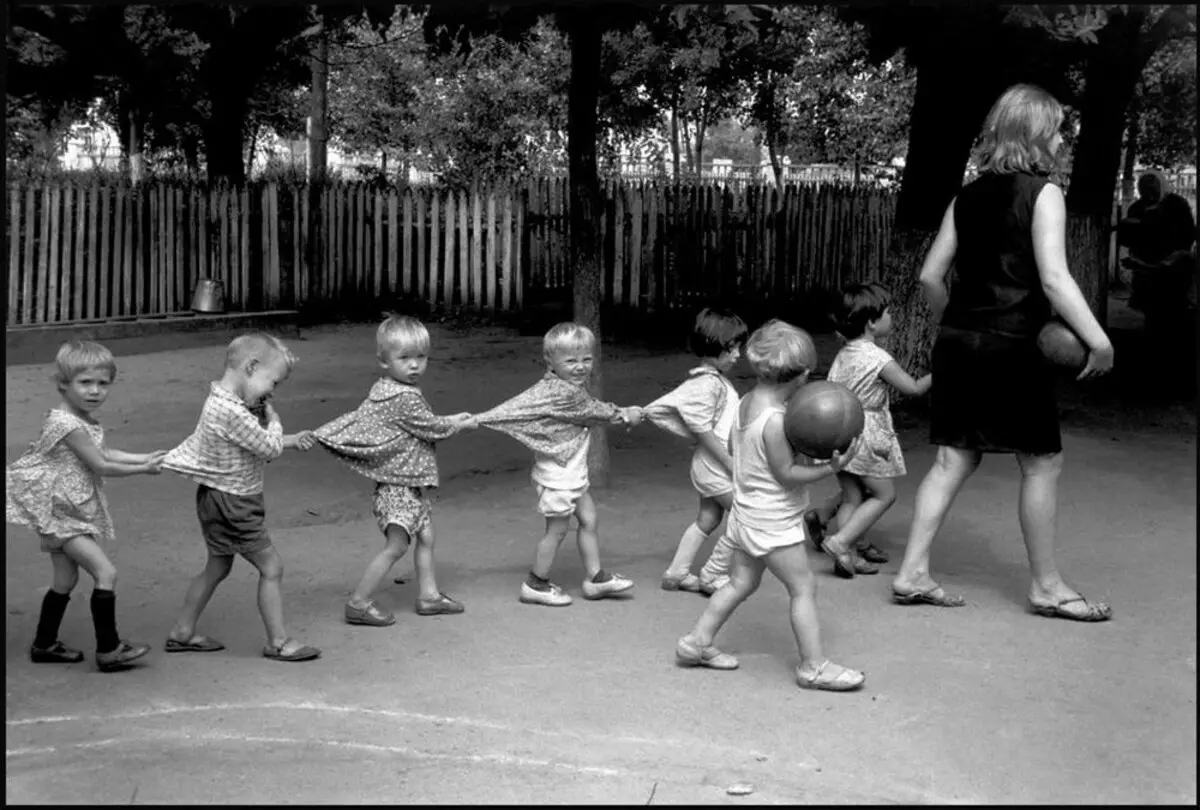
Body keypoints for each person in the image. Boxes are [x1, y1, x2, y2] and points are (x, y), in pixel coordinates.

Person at [893, 83, 1115, 621]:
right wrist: (1100, 341)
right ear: (1038, 134)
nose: (1062, 138)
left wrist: (954, 321)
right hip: (1013, 346)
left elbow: (929, 276)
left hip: (959, 342)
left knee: (951, 459)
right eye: (1058, 128)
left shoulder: (966, 196)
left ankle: (912, 573)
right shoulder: (1044, 194)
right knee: (1041, 463)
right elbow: (1056, 279)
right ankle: (1047, 586)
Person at [674, 320, 865, 692]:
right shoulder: (775, 421)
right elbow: (788, 475)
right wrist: (831, 466)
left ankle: (696, 643)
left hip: (746, 513)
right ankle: (813, 666)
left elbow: (735, 450)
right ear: (803, 376)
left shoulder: (746, 403)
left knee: (740, 583)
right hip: (772, 521)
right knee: (803, 588)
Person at [162, 333, 323, 661]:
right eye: (272, 382)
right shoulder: (231, 411)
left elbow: (247, 444)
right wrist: (277, 425)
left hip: (217, 497)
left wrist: (290, 439)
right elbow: (267, 447)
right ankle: (279, 642)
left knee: (218, 566)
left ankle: (182, 631)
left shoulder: (222, 400)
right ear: (251, 367)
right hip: (235, 503)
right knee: (272, 567)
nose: (272, 392)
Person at [6, 341, 163, 672]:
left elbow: (106, 451)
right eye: (85, 383)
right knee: (106, 572)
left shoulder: (79, 418)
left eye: (103, 383)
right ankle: (109, 649)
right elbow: (101, 465)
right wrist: (144, 469)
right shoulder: (70, 425)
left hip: (63, 512)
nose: (95, 391)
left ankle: (44, 644)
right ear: (63, 383)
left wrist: (145, 457)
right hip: (64, 517)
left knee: (64, 581)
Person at [312, 315, 478, 626]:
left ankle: (429, 596)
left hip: (405, 484)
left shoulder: (386, 388)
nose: (414, 365)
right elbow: (430, 427)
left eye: (421, 357)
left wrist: (452, 419)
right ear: (384, 361)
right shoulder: (403, 396)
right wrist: (459, 424)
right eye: (405, 358)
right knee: (397, 546)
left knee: (427, 538)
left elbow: (424, 422)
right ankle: (358, 602)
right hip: (398, 488)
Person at [475, 322, 643, 606]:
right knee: (557, 530)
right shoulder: (563, 392)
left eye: (586, 359)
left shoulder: (565, 387)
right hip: (558, 477)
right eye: (571, 361)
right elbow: (596, 412)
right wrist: (625, 414)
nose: (580, 367)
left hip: (571, 474)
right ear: (550, 362)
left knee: (589, 519)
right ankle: (535, 583)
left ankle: (595, 578)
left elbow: (590, 411)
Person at [817, 282, 931, 578]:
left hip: (840, 431)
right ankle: (841, 543)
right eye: (888, 312)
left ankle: (849, 553)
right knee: (884, 495)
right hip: (866, 434)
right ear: (871, 322)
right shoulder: (878, 359)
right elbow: (914, 388)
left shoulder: (845, 352)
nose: (892, 317)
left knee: (852, 497)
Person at [641, 307, 747, 595]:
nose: (738, 354)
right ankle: (713, 574)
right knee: (746, 515)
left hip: (710, 465)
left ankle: (676, 573)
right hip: (714, 466)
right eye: (731, 348)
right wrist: (729, 462)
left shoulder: (714, 380)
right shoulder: (707, 384)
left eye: (738, 347)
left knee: (708, 519)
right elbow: (703, 430)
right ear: (712, 347)